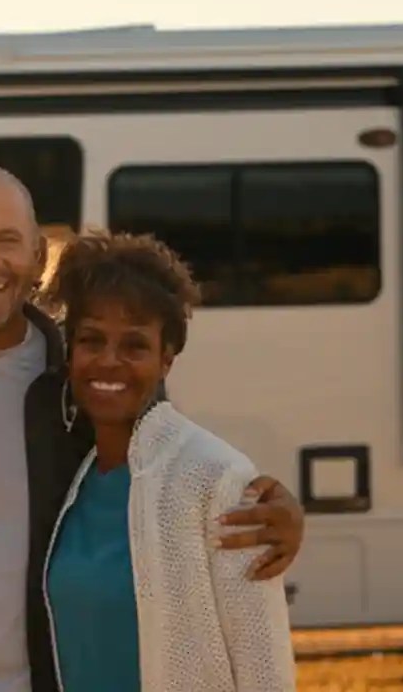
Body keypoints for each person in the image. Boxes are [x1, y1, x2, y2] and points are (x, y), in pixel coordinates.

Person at [0, 163, 306, 692]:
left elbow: (174, 466)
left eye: (6, 240)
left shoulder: (74, 381)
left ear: (38, 257)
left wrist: (275, 510)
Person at [39, 229, 296, 691]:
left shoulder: (216, 477)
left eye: (134, 345)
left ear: (166, 359)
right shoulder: (69, 477)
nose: (109, 361)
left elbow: (265, 669)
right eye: (91, 340)